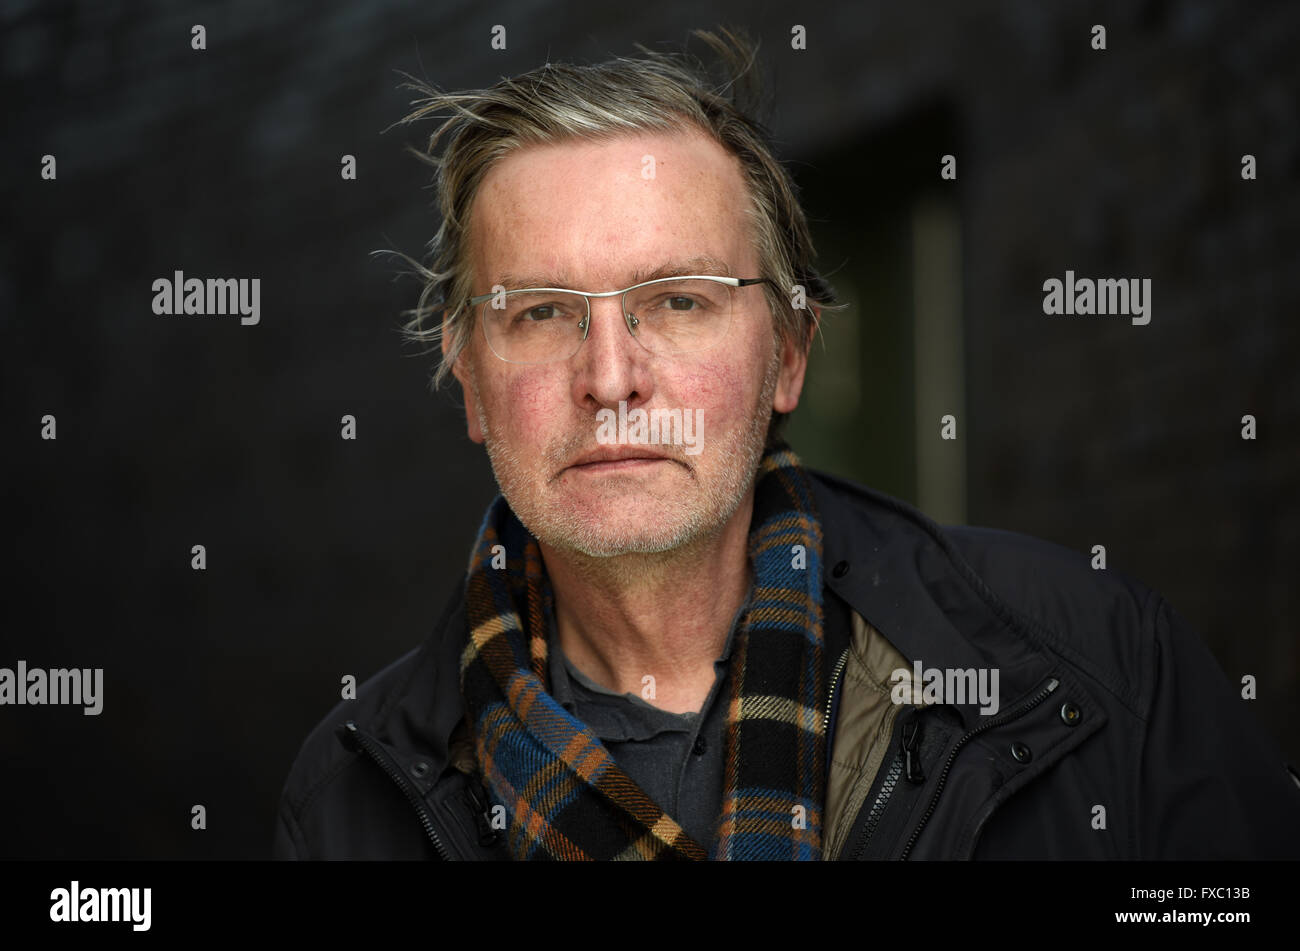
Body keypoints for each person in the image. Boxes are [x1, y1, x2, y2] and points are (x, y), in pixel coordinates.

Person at [273, 30, 1300, 860]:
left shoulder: (1097, 669)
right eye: (540, 313)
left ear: (791, 355)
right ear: (471, 383)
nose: (609, 377)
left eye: (676, 301)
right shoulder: (350, 799)